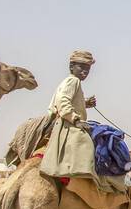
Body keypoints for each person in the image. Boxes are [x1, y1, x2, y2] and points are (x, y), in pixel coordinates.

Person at [40, 50, 111, 186]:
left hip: (67, 121)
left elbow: (69, 101)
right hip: (67, 124)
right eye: (82, 67)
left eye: (88, 69)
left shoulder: (71, 82)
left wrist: (85, 103)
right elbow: (62, 101)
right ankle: (86, 176)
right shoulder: (73, 81)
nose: (85, 71)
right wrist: (76, 120)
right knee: (89, 144)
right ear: (71, 66)